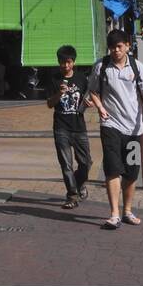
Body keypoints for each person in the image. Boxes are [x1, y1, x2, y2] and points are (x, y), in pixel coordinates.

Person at [87, 29, 143, 231]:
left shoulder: (137, 67)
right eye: (112, 47)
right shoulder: (101, 66)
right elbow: (93, 90)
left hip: (134, 128)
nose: (116, 51)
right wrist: (100, 108)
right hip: (111, 125)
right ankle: (114, 214)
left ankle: (127, 211)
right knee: (112, 168)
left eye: (119, 46)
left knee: (132, 172)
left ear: (127, 45)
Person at [46, 44, 92, 209]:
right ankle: (72, 196)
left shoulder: (81, 79)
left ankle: (79, 186)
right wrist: (59, 93)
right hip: (61, 128)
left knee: (86, 163)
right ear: (58, 63)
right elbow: (49, 104)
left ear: (73, 62)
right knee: (66, 165)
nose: (66, 66)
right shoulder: (54, 79)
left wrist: (89, 103)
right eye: (62, 62)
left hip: (79, 127)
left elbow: (88, 98)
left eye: (69, 62)